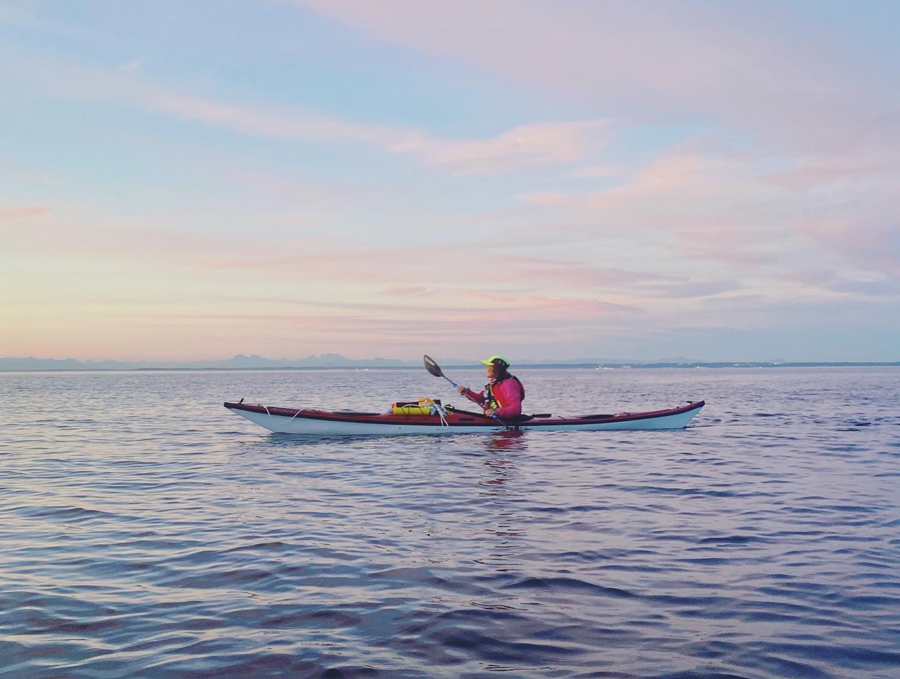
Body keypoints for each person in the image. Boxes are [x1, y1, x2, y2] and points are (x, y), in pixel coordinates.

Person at [457, 355, 525, 419]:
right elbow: (481, 399)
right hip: (494, 419)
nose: (486, 368)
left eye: (488, 366)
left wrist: (496, 412)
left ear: (496, 368)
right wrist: (466, 392)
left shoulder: (508, 384)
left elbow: (516, 408)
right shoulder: (493, 384)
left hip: (507, 420)